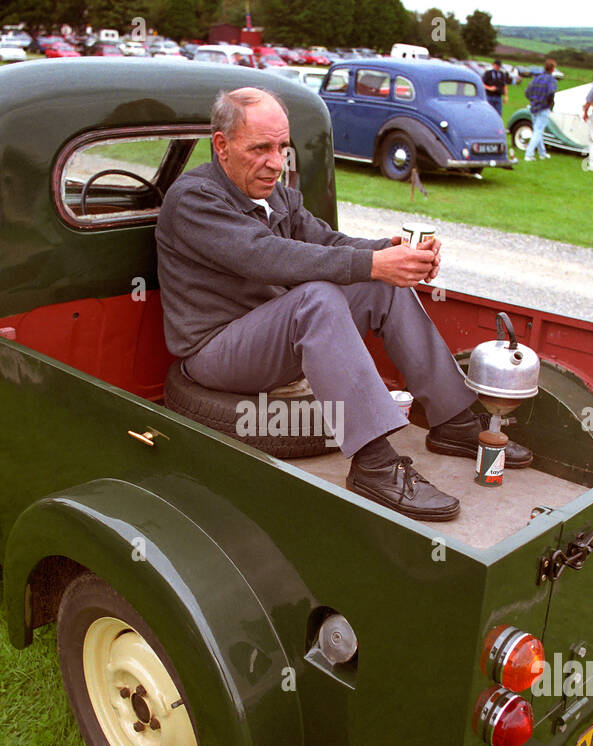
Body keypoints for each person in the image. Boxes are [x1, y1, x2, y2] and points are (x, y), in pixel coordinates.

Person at [155, 87, 533, 521]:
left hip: (270, 336)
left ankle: (453, 421)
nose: (276, 163)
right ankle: (374, 463)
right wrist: (373, 262)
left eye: (282, 147)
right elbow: (265, 256)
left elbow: (325, 241)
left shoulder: (274, 192)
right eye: (260, 148)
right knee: (319, 297)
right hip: (216, 351)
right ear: (221, 145)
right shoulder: (194, 199)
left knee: (382, 285)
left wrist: (389, 252)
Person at [523, 59, 557, 161]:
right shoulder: (551, 80)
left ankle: (542, 153)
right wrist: (550, 103)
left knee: (538, 131)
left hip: (534, 107)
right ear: (553, 69)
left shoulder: (536, 78)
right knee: (538, 131)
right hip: (544, 107)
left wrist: (533, 100)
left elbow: (527, 92)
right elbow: (551, 93)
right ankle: (529, 154)